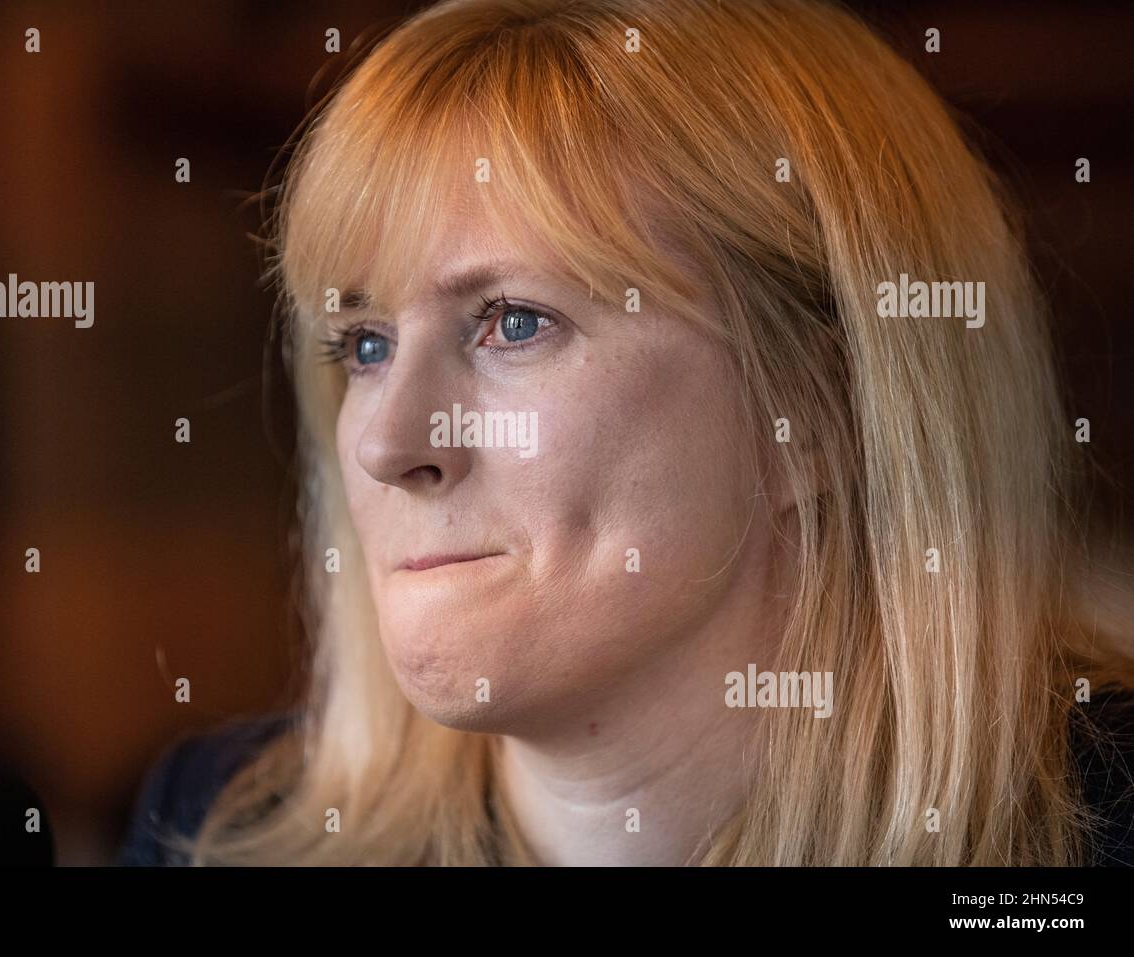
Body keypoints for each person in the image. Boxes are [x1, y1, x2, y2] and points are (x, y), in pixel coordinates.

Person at [119, 0, 1134, 866]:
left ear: (818, 414)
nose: (387, 447)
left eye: (514, 321)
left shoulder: (1097, 832)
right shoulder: (211, 831)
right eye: (365, 344)